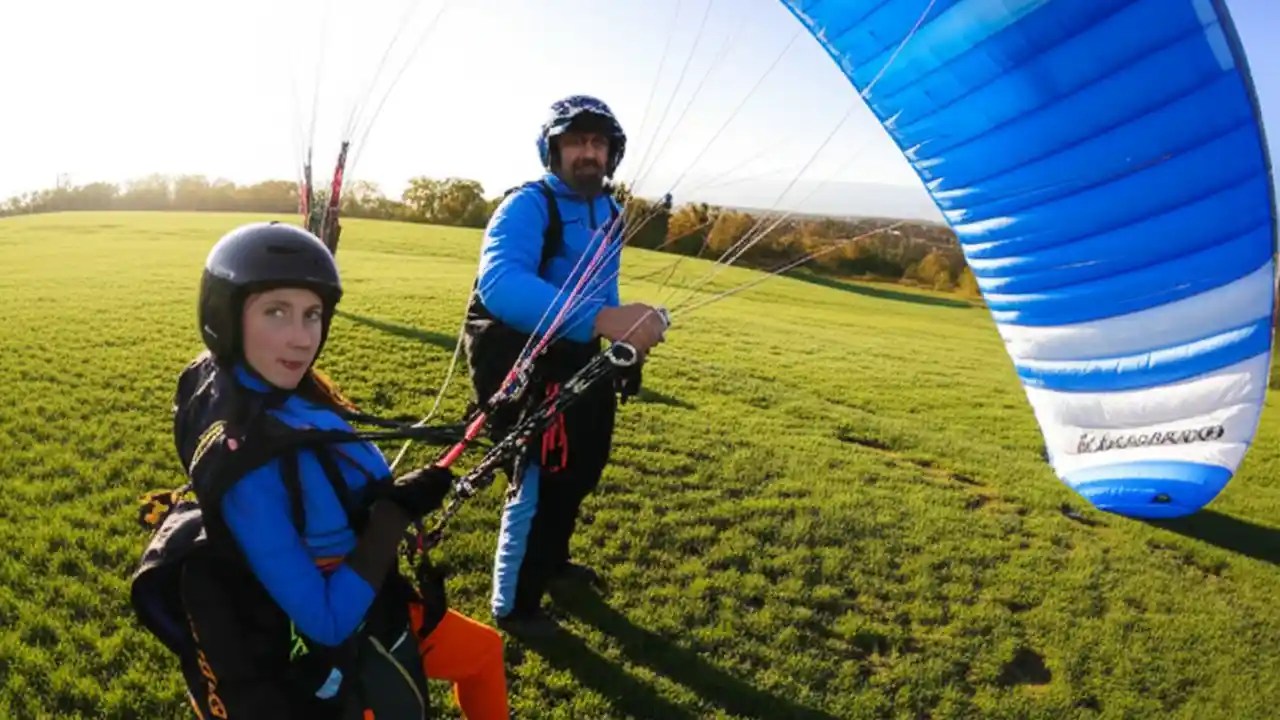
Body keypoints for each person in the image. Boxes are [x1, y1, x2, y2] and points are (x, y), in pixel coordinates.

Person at [130, 221, 509, 719]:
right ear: (226, 318)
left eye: (312, 315)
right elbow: (327, 622)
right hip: (331, 639)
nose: (300, 337)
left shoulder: (247, 384)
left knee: (482, 654)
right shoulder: (251, 471)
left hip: (356, 582)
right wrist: (390, 518)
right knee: (477, 656)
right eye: (275, 312)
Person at [463, 95, 668, 636]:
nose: (588, 153)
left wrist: (624, 350)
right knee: (537, 476)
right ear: (552, 150)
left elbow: (605, 287)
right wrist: (602, 319)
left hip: (580, 352)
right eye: (576, 141)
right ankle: (514, 605)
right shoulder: (529, 207)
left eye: (598, 143)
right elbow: (501, 285)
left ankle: (552, 563)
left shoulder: (610, 212)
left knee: (581, 466)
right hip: (524, 359)